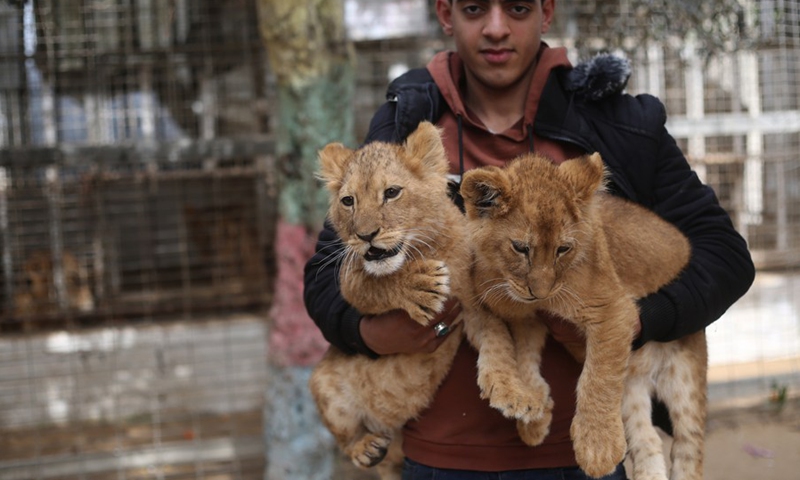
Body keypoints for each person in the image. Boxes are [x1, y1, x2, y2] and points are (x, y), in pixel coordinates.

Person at [304, 0, 755, 478]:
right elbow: (325, 276)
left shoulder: (617, 124)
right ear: (445, 13)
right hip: (441, 455)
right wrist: (370, 334)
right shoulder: (408, 124)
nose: (496, 29)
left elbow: (725, 257)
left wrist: (639, 321)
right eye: (475, 8)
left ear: (545, 13)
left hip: (586, 455)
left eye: (517, 8)